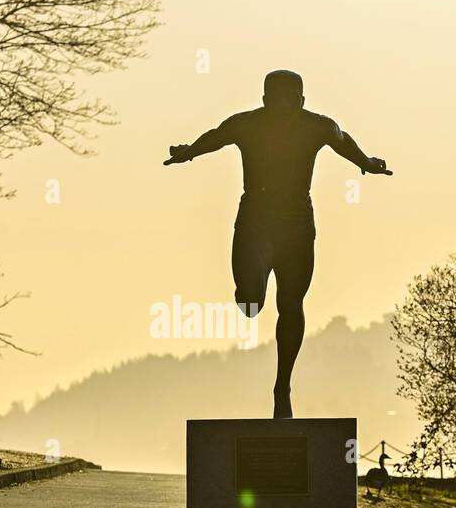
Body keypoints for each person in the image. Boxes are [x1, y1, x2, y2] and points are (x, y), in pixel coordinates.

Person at [163, 69, 391, 418]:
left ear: (301, 101)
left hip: (297, 225)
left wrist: (368, 164)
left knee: (291, 301)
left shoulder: (317, 126)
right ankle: (249, 291)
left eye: (291, 102)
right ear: (265, 101)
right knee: (253, 302)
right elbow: (217, 137)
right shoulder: (247, 124)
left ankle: (282, 386)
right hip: (256, 220)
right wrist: (189, 152)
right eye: (278, 101)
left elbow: (342, 140)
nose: (284, 108)